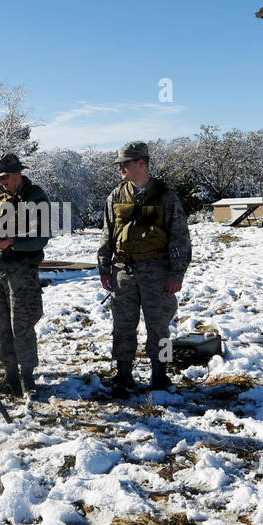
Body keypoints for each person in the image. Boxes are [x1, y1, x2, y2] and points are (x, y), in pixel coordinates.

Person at [96, 141, 191, 398]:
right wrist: (104, 268)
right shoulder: (116, 196)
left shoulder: (166, 196)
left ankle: (161, 375)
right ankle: (123, 375)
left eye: (125, 163)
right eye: (119, 164)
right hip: (124, 271)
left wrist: (176, 274)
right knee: (122, 326)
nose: (120, 169)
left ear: (142, 163)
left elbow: (180, 237)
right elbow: (108, 233)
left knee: (159, 327)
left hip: (157, 272)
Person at [0, 153, 50, 397]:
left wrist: (12, 242)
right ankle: (9, 375)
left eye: (6, 176)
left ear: (18, 172)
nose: (2, 181)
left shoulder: (35, 196)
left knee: (21, 326)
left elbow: (41, 238)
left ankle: (27, 379)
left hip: (22, 271)